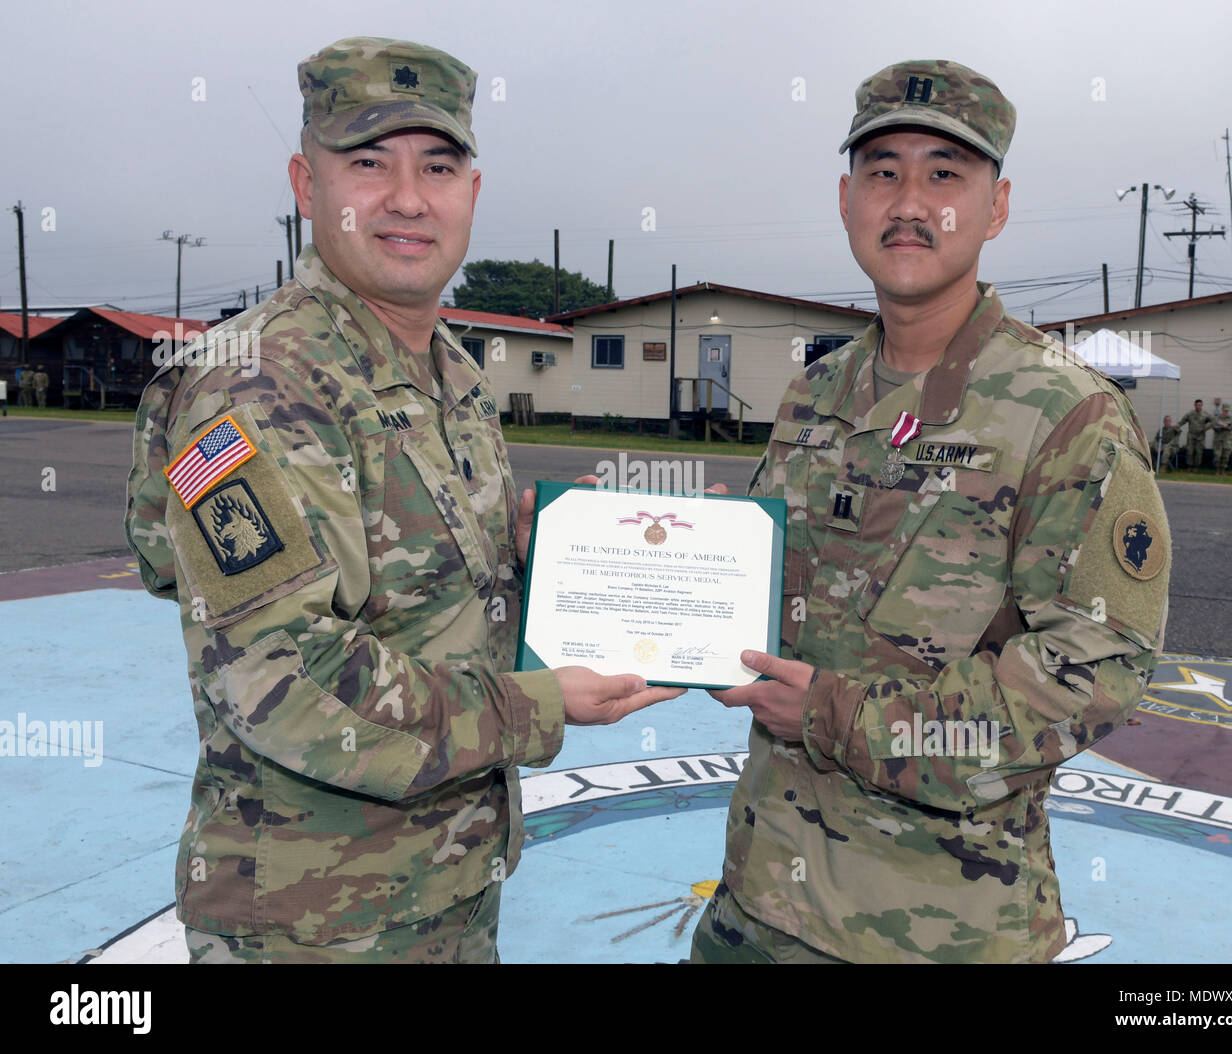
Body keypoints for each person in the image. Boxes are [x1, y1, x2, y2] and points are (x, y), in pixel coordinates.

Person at [124, 36, 678, 964]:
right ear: (308, 184)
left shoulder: (447, 370)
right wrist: (535, 707)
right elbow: (283, 681)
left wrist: (555, 549)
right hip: (310, 922)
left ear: (471, 189)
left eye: (439, 165)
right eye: (369, 162)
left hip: (444, 889)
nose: (409, 198)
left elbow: (429, 582)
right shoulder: (257, 384)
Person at [691, 59, 1171, 963]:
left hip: (939, 928)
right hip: (761, 899)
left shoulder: (1064, 413)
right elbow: (772, 596)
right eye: (883, 172)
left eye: (945, 174)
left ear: (995, 209)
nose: (910, 201)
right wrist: (703, 565)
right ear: (846, 200)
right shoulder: (816, 392)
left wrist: (841, 715)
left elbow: (1095, 673)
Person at [1176, 399, 1211, 471]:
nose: (1198, 407)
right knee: (1190, 451)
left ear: (1202, 406)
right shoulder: (1190, 414)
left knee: (1199, 452)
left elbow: (1213, 421)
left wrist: (1206, 428)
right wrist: (1177, 426)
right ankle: (1189, 466)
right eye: (1197, 405)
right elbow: (1182, 421)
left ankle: (1196, 467)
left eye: (1200, 405)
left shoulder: (1205, 414)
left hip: (1200, 436)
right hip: (1191, 435)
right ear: (1195, 405)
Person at [1210, 397, 1232, 476]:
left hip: (1227, 441)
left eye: (1227, 410)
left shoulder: (1230, 418)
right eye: (1225, 410)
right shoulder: (1217, 418)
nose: (1226, 412)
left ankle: (1223, 470)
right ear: (1222, 410)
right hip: (1218, 440)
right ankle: (1217, 470)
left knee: (1226, 456)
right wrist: (1223, 426)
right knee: (1217, 455)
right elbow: (1214, 426)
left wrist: (1223, 425)